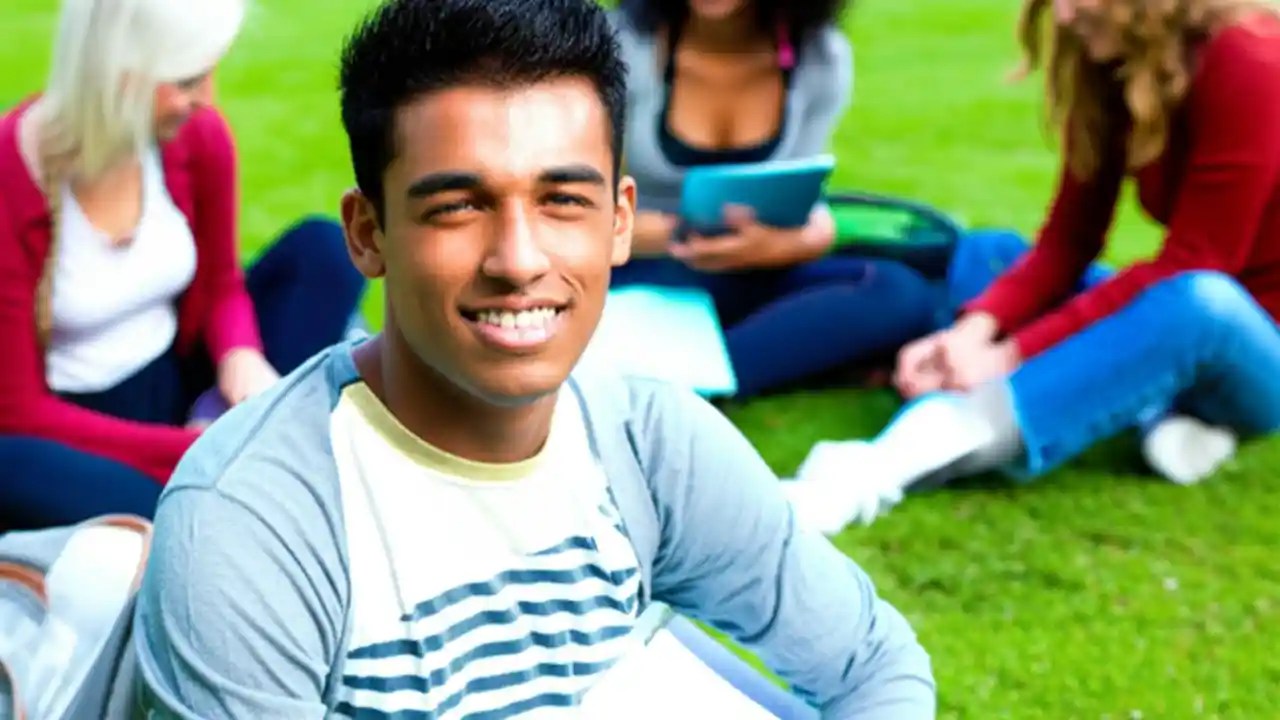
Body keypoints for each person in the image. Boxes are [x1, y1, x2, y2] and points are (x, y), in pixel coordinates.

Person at [131, 0, 937, 716]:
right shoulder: (253, 528)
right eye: (459, 206)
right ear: (367, 233)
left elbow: (876, 666)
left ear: (620, 220)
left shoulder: (650, 441)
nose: (518, 259)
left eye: (562, 202)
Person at [783, 0, 1280, 533]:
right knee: (988, 255)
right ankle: (1151, 405)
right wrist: (974, 334)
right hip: (1181, 307)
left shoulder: (1252, 62)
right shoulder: (1116, 53)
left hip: (1254, 346)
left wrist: (1011, 354)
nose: (1062, 16)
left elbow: (1196, 264)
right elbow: (1068, 242)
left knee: (1197, 301)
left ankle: (879, 468)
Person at [0, 0, 367, 528]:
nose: (206, 99)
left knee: (324, 252)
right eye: (188, 80)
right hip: (75, 436)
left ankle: (244, 466)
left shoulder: (199, 137)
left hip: (184, 383)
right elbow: (19, 410)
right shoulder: (13, 177)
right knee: (11, 467)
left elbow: (222, 286)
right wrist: (189, 449)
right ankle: (240, 478)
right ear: (117, 74)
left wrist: (240, 353)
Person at [608, 0, 942, 397]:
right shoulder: (622, 48)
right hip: (645, 265)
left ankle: (683, 381)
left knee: (896, 292)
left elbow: (806, 200)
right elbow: (572, 205)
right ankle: (712, 370)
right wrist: (671, 236)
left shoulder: (819, 57)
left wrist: (789, 243)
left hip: (760, 268)